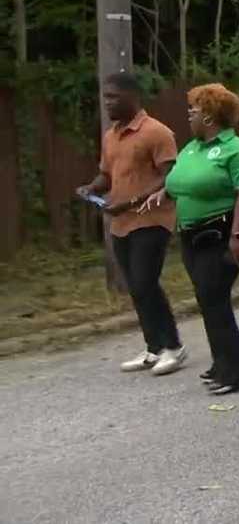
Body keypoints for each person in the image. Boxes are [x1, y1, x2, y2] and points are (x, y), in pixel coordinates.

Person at [142, 83, 239, 395]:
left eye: (193, 110)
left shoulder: (237, 150)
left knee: (213, 294)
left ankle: (235, 370)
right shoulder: (192, 147)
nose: (188, 115)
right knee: (207, 297)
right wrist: (164, 191)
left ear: (209, 117)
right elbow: (180, 178)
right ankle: (221, 362)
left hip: (224, 232)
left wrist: (237, 235)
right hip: (192, 234)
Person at [77, 72, 183, 375]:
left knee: (145, 282)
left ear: (132, 97)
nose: (107, 103)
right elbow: (106, 175)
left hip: (152, 219)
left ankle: (174, 347)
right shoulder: (111, 135)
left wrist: (134, 201)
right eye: (105, 97)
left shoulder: (156, 132)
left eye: (113, 97)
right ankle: (153, 348)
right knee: (136, 288)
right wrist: (92, 188)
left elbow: (170, 177)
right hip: (120, 222)